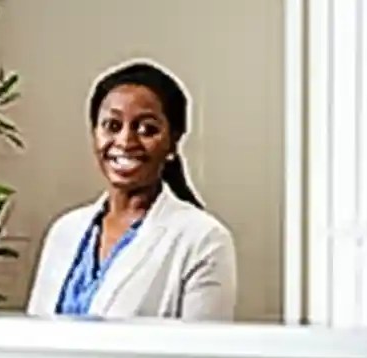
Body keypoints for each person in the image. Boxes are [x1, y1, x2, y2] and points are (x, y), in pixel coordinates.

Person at [26, 61, 237, 321]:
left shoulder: (204, 240)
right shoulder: (64, 231)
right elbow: (35, 338)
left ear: (173, 141)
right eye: (112, 126)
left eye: (147, 129)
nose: (125, 141)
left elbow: (203, 356)